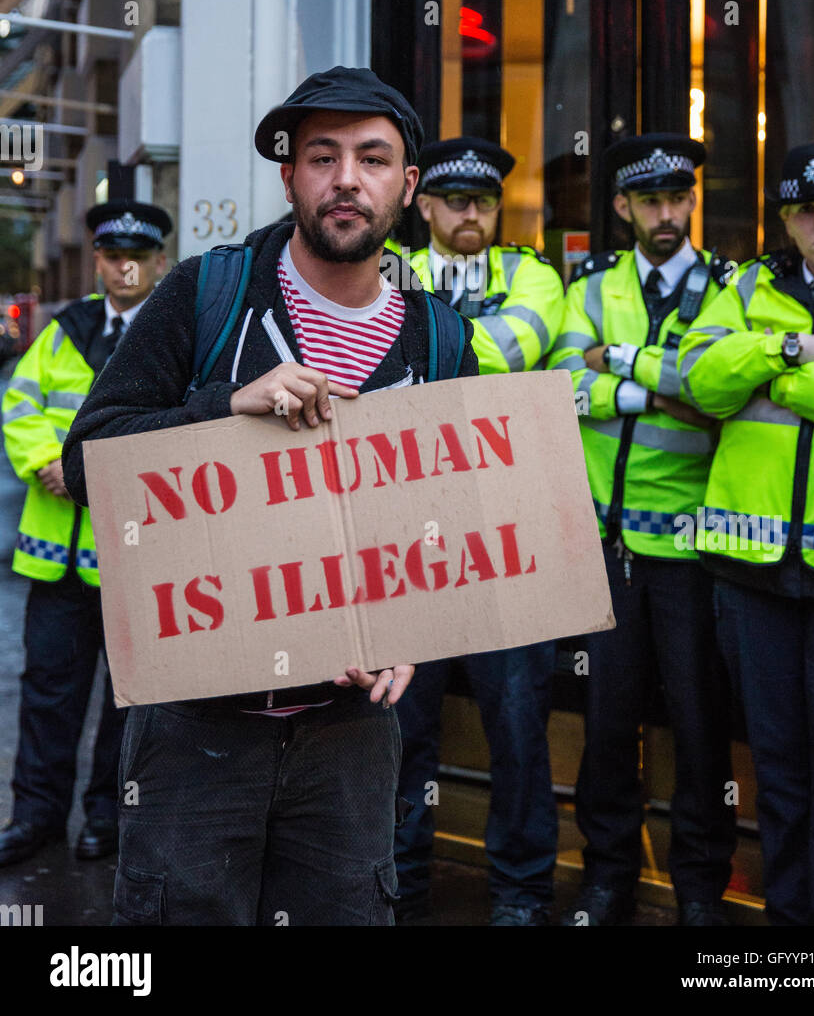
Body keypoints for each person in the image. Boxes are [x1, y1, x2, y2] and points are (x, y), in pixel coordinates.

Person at [61, 67, 479, 927]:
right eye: (321, 158)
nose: (345, 180)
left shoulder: (440, 337)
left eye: (371, 158)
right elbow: (89, 458)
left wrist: (415, 626)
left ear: (407, 186)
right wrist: (222, 408)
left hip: (351, 740)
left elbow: (452, 520)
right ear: (290, 177)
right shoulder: (207, 294)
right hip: (193, 731)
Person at [547, 133, 736, 927]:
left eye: (680, 196)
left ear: (692, 202)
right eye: (651, 199)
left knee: (699, 730)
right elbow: (557, 385)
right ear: (623, 207)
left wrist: (616, 367)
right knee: (608, 726)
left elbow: (712, 399)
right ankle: (607, 877)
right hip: (609, 546)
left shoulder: (728, 291)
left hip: (693, 549)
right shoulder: (589, 287)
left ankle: (699, 891)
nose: (668, 212)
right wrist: (643, 390)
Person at [677, 140, 814, 928]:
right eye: (805, 209)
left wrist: (774, 376)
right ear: (787, 218)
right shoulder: (750, 283)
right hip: (749, 567)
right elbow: (698, 378)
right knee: (778, 768)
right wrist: (793, 347)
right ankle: (790, 925)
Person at [392, 136, 564, 927]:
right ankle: (396, 882)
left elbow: (512, 352)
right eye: (455, 200)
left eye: (485, 201)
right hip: (407, 541)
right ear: (422, 204)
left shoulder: (532, 274)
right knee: (396, 731)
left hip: (507, 536)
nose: (471, 213)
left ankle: (522, 894)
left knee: (520, 729)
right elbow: (372, 373)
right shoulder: (386, 268)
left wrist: (426, 345)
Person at [0, 200, 171, 866]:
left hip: (130, 562)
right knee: (48, 697)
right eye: (111, 254)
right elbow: (18, 400)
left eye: (137, 255)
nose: (122, 266)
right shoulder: (65, 329)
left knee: (127, 708)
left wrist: (88, 471)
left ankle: (107, 818)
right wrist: (45, 460)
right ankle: (36, 818)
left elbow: (173, 427)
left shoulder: (169, 330)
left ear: (159, 262)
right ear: (98, 258)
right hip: (56, 564)